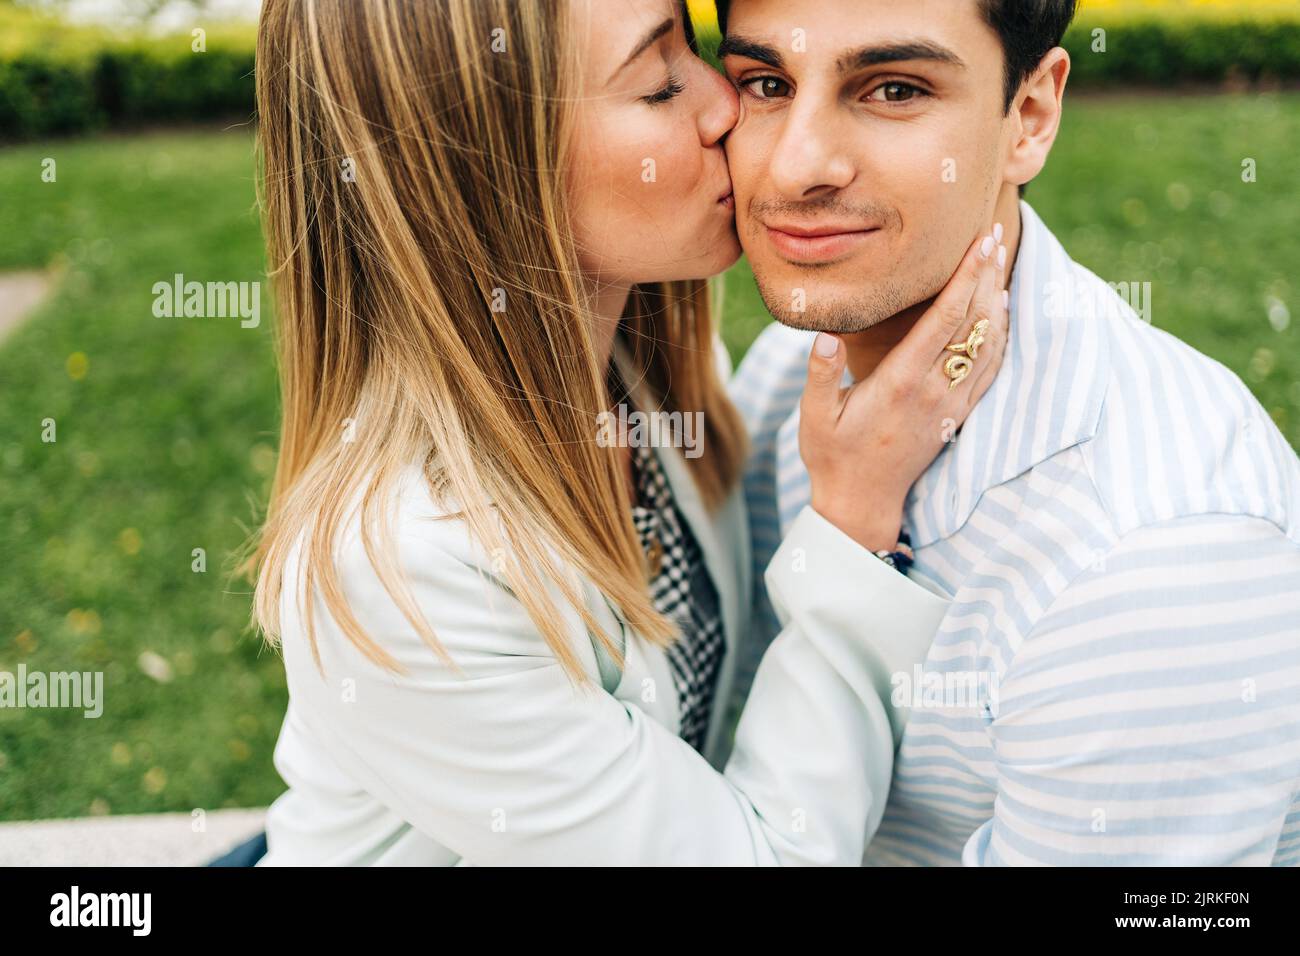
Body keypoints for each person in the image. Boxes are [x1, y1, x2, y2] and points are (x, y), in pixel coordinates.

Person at [233, 0, 1009, 866]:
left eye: (697, 48)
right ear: (491, 169)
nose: (725, 105)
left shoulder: (643, 370)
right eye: (656, 85)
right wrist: (854, 523)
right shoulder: (405, 567)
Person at [722, 0, 1300, 865]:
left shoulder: (1161, 552)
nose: (796, 164)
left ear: (1029, 116)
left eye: (893, 89)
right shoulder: (789, 369)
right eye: (767, 83)